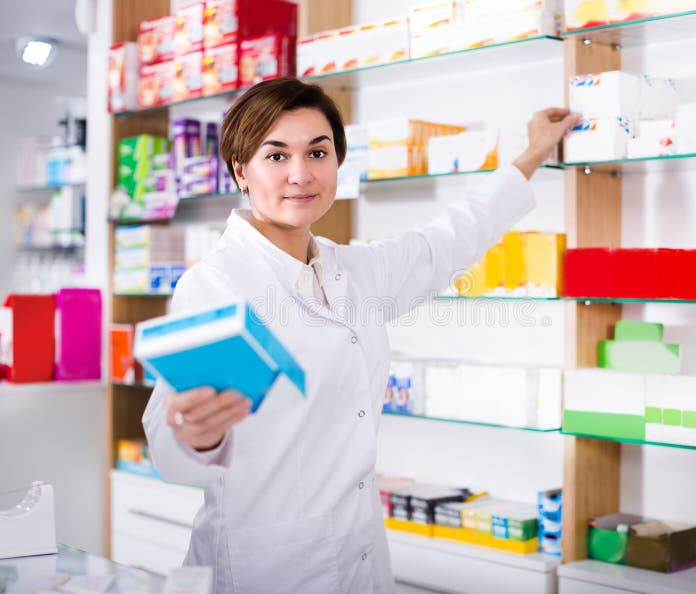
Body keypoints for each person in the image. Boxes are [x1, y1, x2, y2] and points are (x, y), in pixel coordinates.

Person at [143, 77, 579, 594]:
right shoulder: (215, 284)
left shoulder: (351, 270)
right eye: (276, 156)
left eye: (318, 152)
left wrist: (530, 154)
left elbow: (446, 242)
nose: (301, 175)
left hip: (358, 553)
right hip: (267, 566)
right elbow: (169, 444)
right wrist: (199, 434)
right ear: (241, 169)